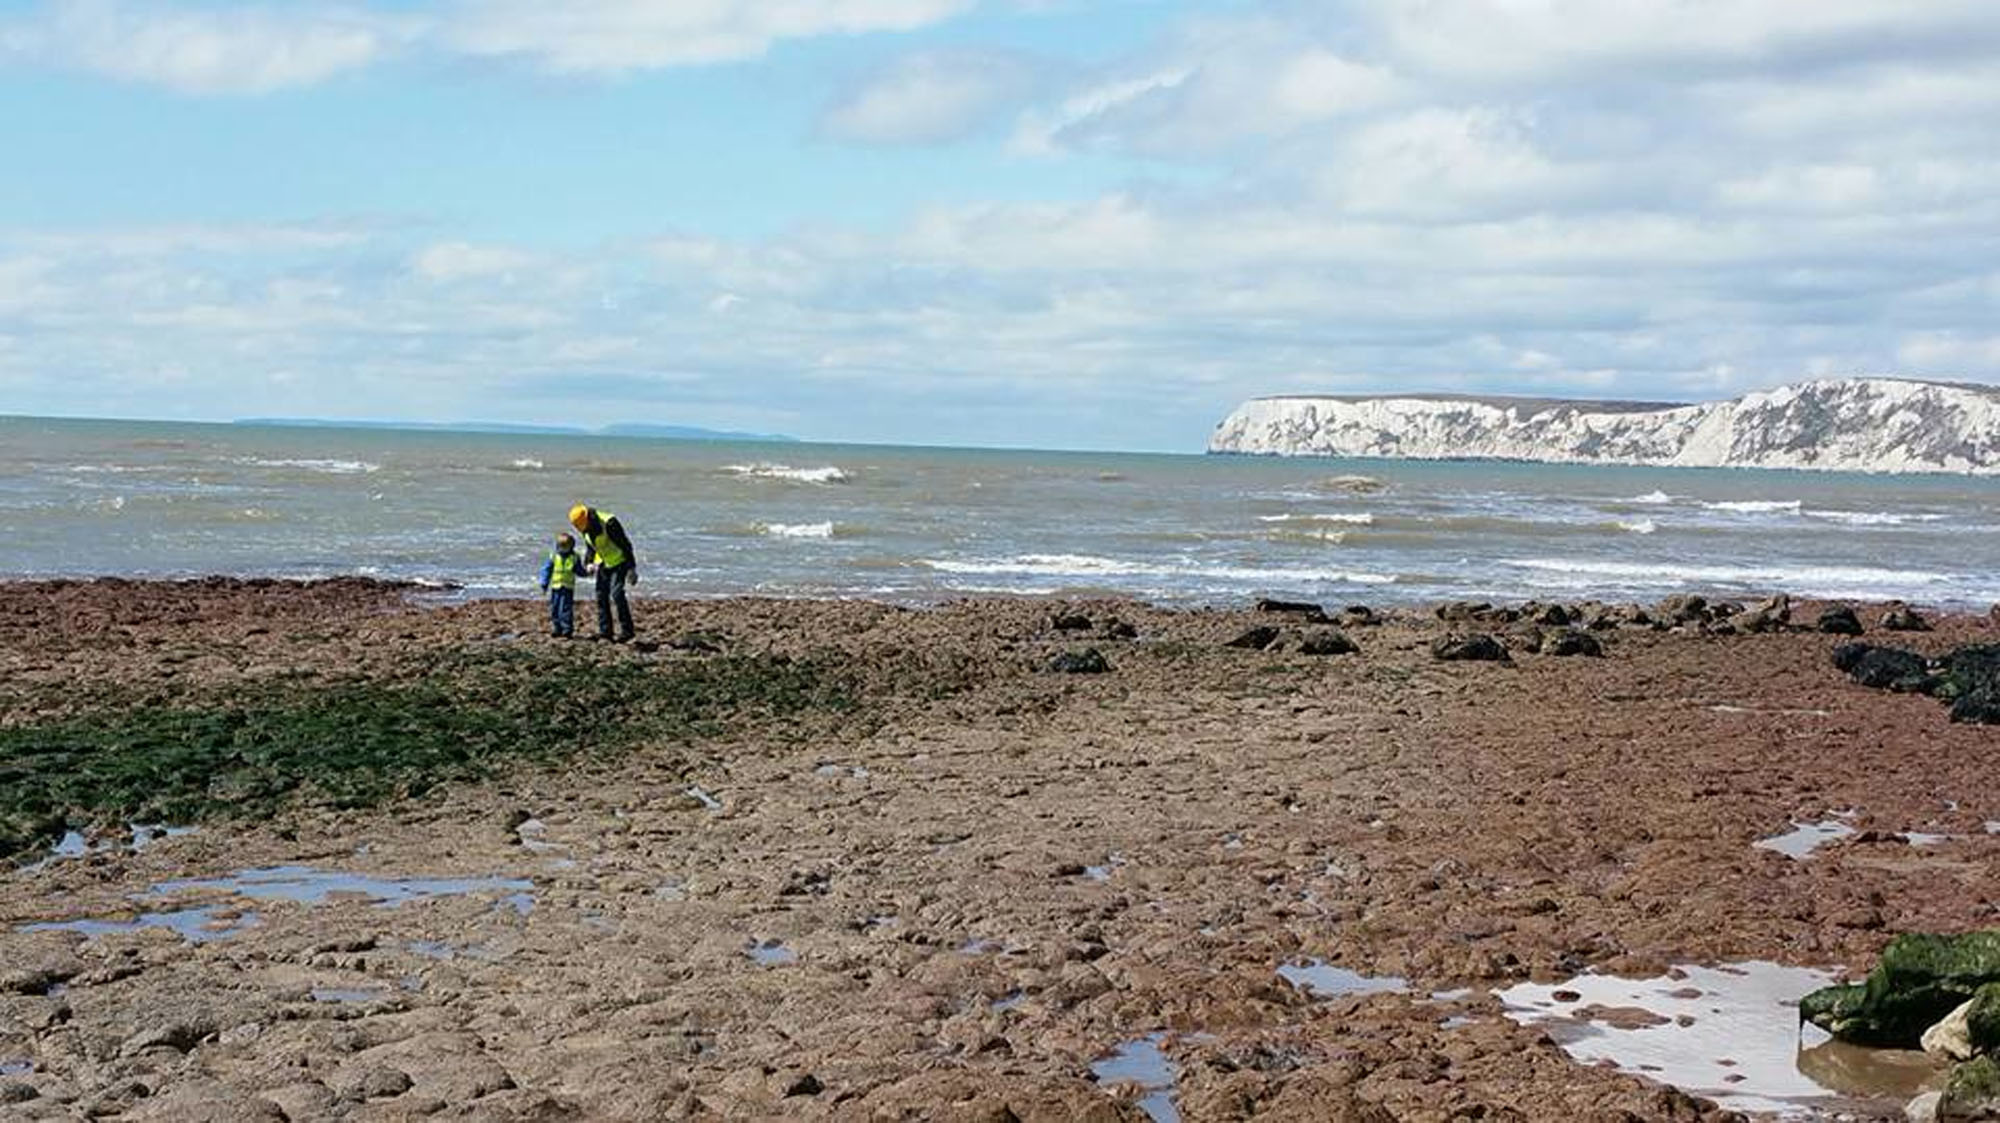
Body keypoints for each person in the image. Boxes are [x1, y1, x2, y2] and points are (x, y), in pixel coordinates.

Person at [569, 504, 638, 642]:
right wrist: (588, 562)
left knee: (617, 594)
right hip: (603, 563)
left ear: (588, 517)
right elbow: (590, 547)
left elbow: (626, 545)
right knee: (601, 596)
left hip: (620, 562)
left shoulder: (609, 523)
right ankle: (606, 632)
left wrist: (632, 568)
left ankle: (627, 631)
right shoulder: (586, 528)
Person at [538, 533, 583, 638]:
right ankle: (557, 628)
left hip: (567, 587)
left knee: (565, 608)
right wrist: (544, 584)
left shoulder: (574, 557)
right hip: (556, 587)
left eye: (565, 547)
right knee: (555, 608)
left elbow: (579, 571)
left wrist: (588, 572)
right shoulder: (554, 556)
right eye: (560, 546)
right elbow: (546, 570)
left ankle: (567, 629)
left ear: (571, 547)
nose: (562, 549)